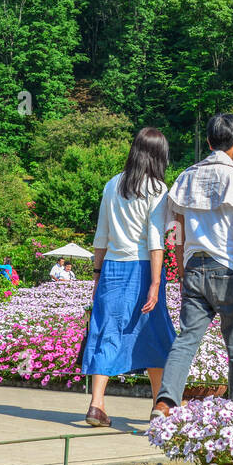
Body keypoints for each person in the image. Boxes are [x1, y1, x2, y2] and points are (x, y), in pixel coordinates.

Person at [152, 113, 233, 420]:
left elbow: (177, 226)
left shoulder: (186, 177)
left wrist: (182, 267)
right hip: (230, 271)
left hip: (194, 267)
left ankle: (164, 403)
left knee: (185, 342)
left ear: (209, 142)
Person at [81, 127, 175, 427]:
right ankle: (159, 406)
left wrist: (97, 276)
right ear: (159, 155)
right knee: (155, 335)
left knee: (106, 330)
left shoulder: (112, 185)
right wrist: (156, 283)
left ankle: (96, 405)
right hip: (144, 267)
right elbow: (155, 239)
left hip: (111, 267)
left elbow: (101, 236)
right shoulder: (158, 190)